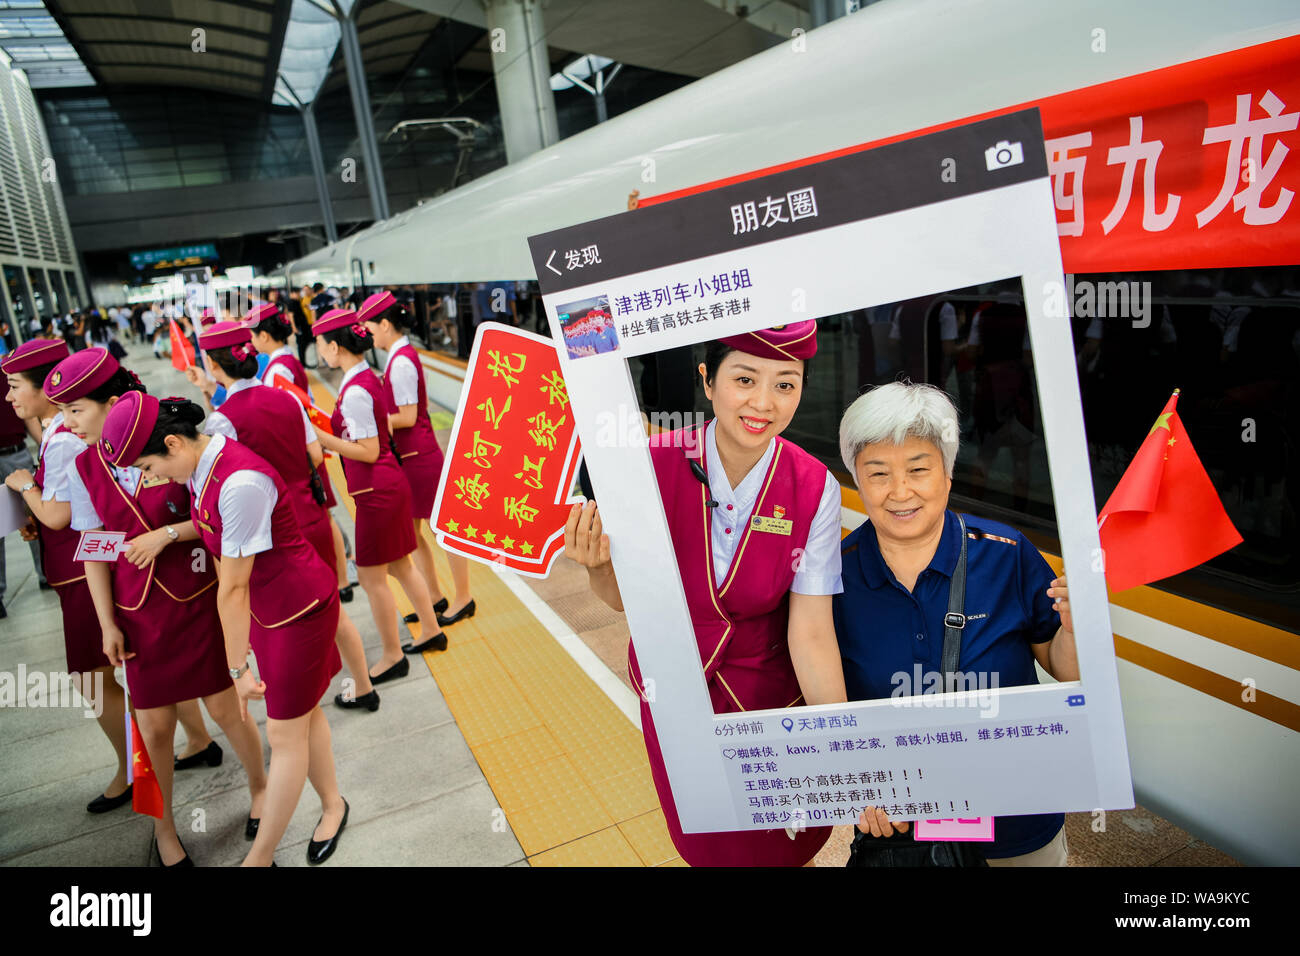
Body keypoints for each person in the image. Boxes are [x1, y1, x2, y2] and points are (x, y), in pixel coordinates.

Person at [565, 322, 847, 866]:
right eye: (745, 379)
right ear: (707, 381)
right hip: (675, 695)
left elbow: (811, 631)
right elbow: (625, 600)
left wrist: (840, 742)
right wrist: (598, 568)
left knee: (784, 850)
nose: (763, 402)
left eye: (786, 385)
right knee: (707, 844)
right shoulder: (648, 465)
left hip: (768, 699)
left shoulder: (815, 486)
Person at [834, 381, 1077, 865]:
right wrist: (857, 783)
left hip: (1018, 818)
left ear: (947, 474)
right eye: (877, 473)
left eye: (918, 470)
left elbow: (1066, 668)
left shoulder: (1006, 554)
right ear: (857, 481)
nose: (899, 492)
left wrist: (1074, 626)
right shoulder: (834, 575)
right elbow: (825, 706)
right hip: (904, 828)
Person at [45, 348, 269, 866]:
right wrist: (106, 622)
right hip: (137, 614)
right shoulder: (83, 464)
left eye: (76, 410)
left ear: (114, 401)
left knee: (225, 709)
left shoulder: (177, 436)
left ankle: (262, 788)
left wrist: (169, 534)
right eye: (62, 412)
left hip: (198, 601)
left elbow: (218, 516)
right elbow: (94, 544)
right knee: (154, 729)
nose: (67, 423)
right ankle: (165, 833)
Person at [107, 392, 350, 866]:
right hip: (271, 610)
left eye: (149, 466)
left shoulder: (238, 481)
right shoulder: (203, 467)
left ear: (174, 444)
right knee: (305, 718)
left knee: (283, 735)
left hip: (297, 611)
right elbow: (221, 545)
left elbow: (233, 588)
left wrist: (237, 668)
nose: (149, 478)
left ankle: (258, 860)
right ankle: (334, 804)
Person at [198, 320, 379, 712]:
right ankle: (363, 684)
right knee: (333, 608)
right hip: (311, 518)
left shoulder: (220, 421)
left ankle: (304, 703)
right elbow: (315, 456)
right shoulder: (288, 399)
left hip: (273, 535)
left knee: (288, 621)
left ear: (214, 366)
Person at [2, 339, 130, 812]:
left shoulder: (62, 438)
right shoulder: (64, 429)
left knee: (94, 676)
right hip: (88, 564)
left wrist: (24, 487)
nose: (10, 397)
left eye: (15, 386)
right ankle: (191, 742)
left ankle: (131, 768)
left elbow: (59, 516)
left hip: (84, 574)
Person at [311, 308, 447, 682]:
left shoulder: (354, 390)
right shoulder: (364, 379)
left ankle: (391, 654)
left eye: (321, 345)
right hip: (387, 486)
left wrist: (324, 440)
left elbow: (369, 450)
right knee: (401, 565)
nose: (320, 352)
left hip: (376, 492)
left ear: (335, 347)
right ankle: (432, 631)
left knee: (372, 578)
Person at [360, 291, 475, 628]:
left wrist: (371, 419)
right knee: (412, 534)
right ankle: (435, 596)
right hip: (408, 459)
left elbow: (408, 416)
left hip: (419, 458)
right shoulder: (397, 358)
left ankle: (464, 596)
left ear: (385, 324)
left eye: (370, 328)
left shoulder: (402, 362)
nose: (368, 336)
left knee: (442, 530)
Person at [249, 304, 354, 602]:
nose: (252, 343)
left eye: (253, 336)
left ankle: (341, 579)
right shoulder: (284, 361)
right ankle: (342, 578)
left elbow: (284, 416)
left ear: (265, 336)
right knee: (326, 515)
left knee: (325, 516)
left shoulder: (277, 369)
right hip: (305, 447)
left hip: (302, 451)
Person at [0, 390, 46, 616]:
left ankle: (46, 572)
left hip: (15, 453)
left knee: (35, 511)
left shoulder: (5, 373)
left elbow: (26, 413)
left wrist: (43, 442)